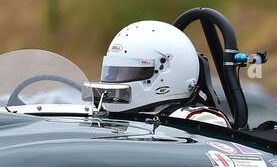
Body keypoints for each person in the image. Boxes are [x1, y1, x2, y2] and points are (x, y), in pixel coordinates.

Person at [88, 20, 230, 127]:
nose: (116, 80)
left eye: (127, 72)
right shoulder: (101, 115)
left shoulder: (198, 121)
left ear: (164, 71)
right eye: (113, 72)